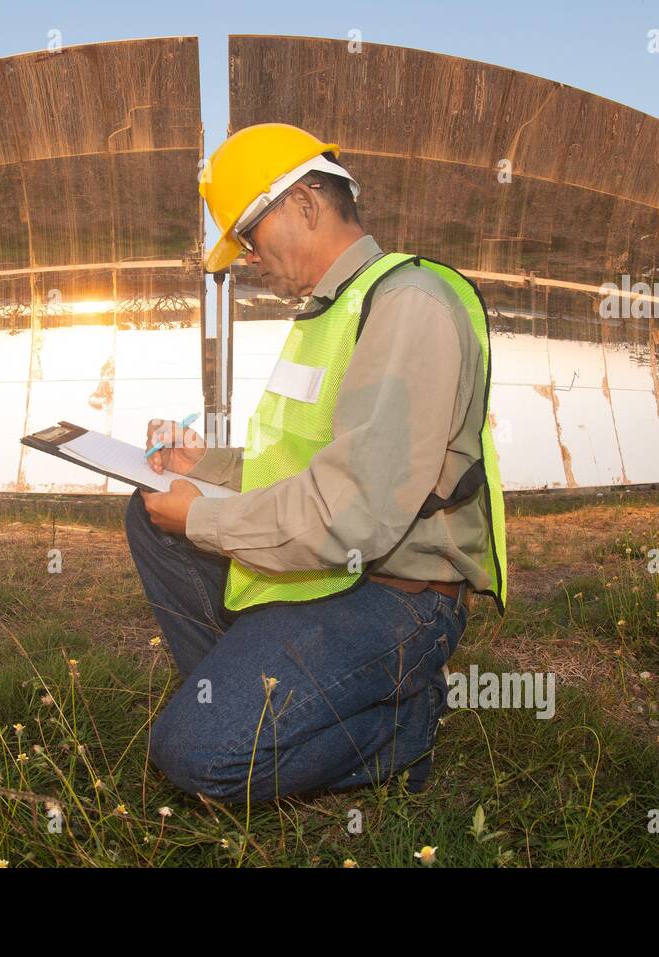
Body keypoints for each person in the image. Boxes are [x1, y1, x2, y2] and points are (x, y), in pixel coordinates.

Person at [125, 122, 507, 803]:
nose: (246, 257)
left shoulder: (407, 304)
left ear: (305, 203)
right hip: (332, 568)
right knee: (151, 511)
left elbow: (352, 510)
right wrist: (203, 464)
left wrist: (206, 519)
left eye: (249, 234)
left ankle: (404, 723)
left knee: (194, 755)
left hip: (394, 597)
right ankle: (249, 691)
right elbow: (299, 463)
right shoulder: (327, 312)